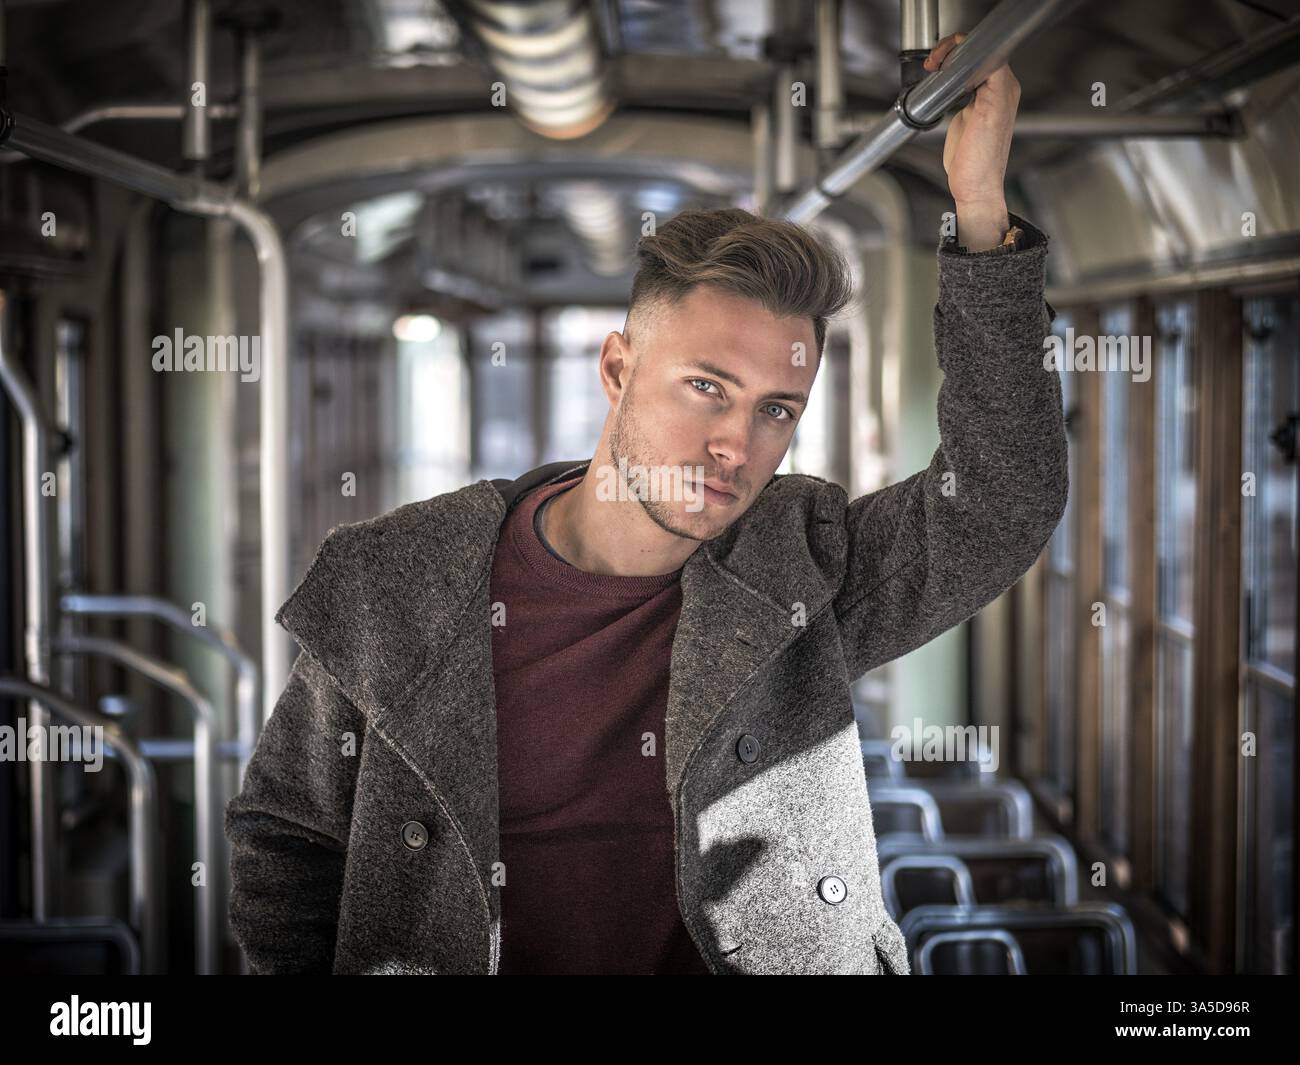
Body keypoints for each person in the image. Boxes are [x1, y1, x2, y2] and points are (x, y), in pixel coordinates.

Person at [225, 32, 1067, 974]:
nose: (735, 444)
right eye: (706, 387)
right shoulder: (397, 579)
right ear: (619, 367)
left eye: (774, 410)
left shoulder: (802, 566)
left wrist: (982, 208)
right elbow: (287, 832)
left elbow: (999, 502)